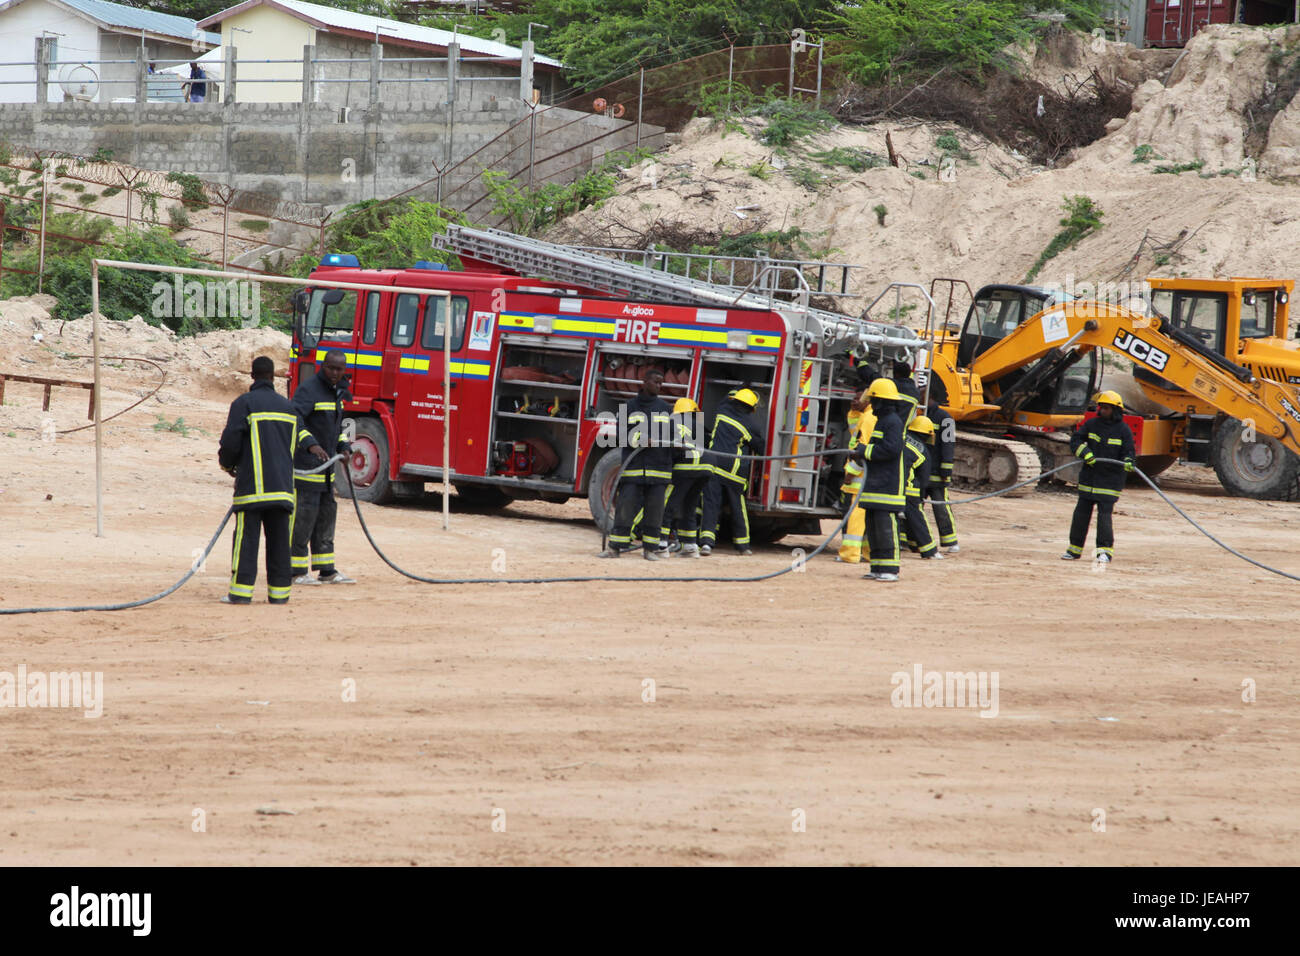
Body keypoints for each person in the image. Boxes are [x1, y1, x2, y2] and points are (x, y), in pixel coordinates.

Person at [217, 356, 314, 604]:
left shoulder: (244, 404)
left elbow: (231, 442)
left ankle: (240, 594)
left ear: (253, 376)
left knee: (247, 542)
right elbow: (292, 447)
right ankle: (279, 596)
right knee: (280, 545)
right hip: (282, 490)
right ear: (273, 377)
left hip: (252, 489)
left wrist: (228, 465)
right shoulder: (289, 408)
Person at [291, 349, 356, 584]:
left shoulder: (339, 391)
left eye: (340, 370)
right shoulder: (309, 389)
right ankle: (296, 570)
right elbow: (294, 419)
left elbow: (339, 426)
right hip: (308, 467)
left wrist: (344, 446)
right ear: (323, 366)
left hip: (328, 470)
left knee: (326, 515)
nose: (335, 373)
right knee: (304, 516)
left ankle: (326, 569)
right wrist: (310, 444)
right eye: (331, 368)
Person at [602, 367, 673, 560]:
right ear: (644, 382)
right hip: (633, 469)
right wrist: (640, 439)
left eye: (661, 383)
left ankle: (650, 549)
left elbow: (673, 435)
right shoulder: (628, 407)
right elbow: (621, 435)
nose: (659, 386)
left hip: (658, 470)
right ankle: (615, 547)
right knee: (625, 509)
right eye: (655, 382)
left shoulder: (666, 409)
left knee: (655, 512)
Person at [1062, 390, 1135, 564]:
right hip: (1089, 479)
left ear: (1116, 410)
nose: (1103, 411)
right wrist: (1085, 453)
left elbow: (1129, 451)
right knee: (1080, 515)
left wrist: (1129, 462)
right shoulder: (1092, 424)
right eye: (1101, 407)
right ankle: (1074, 550)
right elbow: (1076, 441)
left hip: (1110, 482)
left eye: (1107, 408)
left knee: (1104, 517)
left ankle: (1104, 553)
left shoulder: (1123, 430)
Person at [851, 378, 907, 582]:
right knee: (873, 529)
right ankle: (877, 567)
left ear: (882, 401)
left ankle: (890, 570)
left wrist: (865, 451)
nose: (871, 405)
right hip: (876, 485)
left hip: (887, 487)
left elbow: (891, 449)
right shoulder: (883, 421)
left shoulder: (892, 421)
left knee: (885, 528)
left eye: (874, 401)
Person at [699, 386, 765, 556]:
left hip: (714, 466)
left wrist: (740, 386)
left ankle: (707, 543)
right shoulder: (751, 425)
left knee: (711, 504)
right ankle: (743, 546)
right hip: (734, 472)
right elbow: (760, 448)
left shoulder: (721, 411)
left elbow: (725, 399)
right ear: (752, 408)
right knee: (738, 508)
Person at [660, 397, 710, 558]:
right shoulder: (699, 425)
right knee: (689, 505)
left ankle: (660, 545)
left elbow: (671, 451)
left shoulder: (672, 424)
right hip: (706, 469)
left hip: (686, 468)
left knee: (668, 505)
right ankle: (690, 546)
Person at [835, 386, 877, 563]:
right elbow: (854, 428)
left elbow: (861, 451)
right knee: (867, 519)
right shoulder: (867, 415)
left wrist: (850, 473)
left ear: (868, 401)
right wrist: (854, 408)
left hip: (860, 480)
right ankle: (868, 553)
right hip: (869, 479)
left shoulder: (867, 419)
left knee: (856, 518)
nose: (853, 401)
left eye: (858, 398)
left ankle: (849, 554)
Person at [923, 374, 959, 553]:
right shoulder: (920, 414)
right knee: (914, 508)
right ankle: (911, 540)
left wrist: (946, 472)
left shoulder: (945, 418)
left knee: (941, 508)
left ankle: (950, 541)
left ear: (930, 397)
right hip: (921, 472)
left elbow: (948, 446)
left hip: (936, 473)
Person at [901, 415, 942, 560]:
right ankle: (929, 550)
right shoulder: (923, 451)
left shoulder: (901, 437)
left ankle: (910, 543)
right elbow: (924, 480)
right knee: (917, 518)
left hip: (891, 484)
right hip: (909, 489)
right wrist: (920, 497)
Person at [892, 359, 920, 427]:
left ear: (896, 374)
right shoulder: (916, 392)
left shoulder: (893, 385)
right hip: (903, 434)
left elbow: (875, 378)